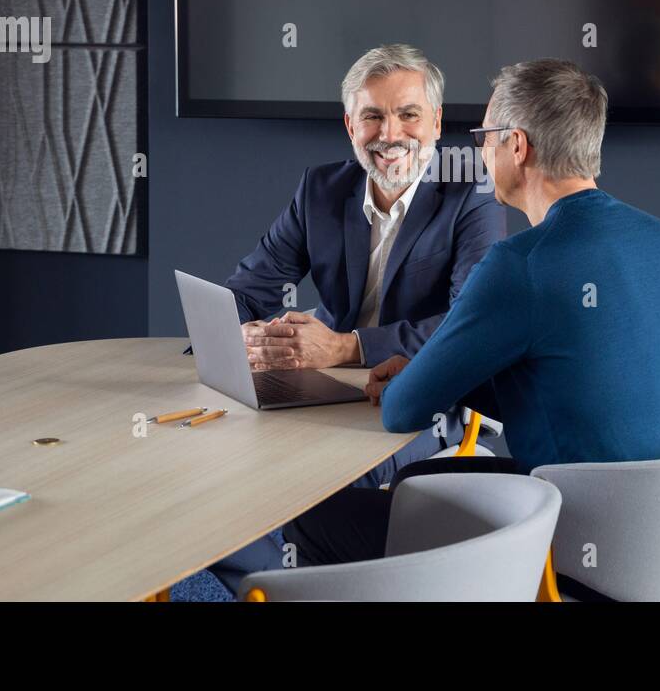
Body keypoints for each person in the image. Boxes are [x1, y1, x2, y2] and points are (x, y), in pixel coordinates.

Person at [283, 59, 660, 593]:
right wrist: (434, 373)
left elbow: (401, 411)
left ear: (517, 146)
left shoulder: (520, 264)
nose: (480, 152)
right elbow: (582, 384)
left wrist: (419, 381)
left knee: (312, 518)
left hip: (572, 540)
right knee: (418, 481)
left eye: (485, 137)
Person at [208, 44, 505, 592]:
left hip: (419, 398)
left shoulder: (474, 196)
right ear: (350, 125)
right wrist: (243, 334)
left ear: (436, 123)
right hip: (318, 387)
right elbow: (247, 290)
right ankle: (282, 585)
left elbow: (466, 328)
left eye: (408, 114)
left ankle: (293, 580)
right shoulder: (320, 190)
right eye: (372, 116)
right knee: (213, 471)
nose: (390, 133)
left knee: (293, 487)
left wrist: (347, 347)